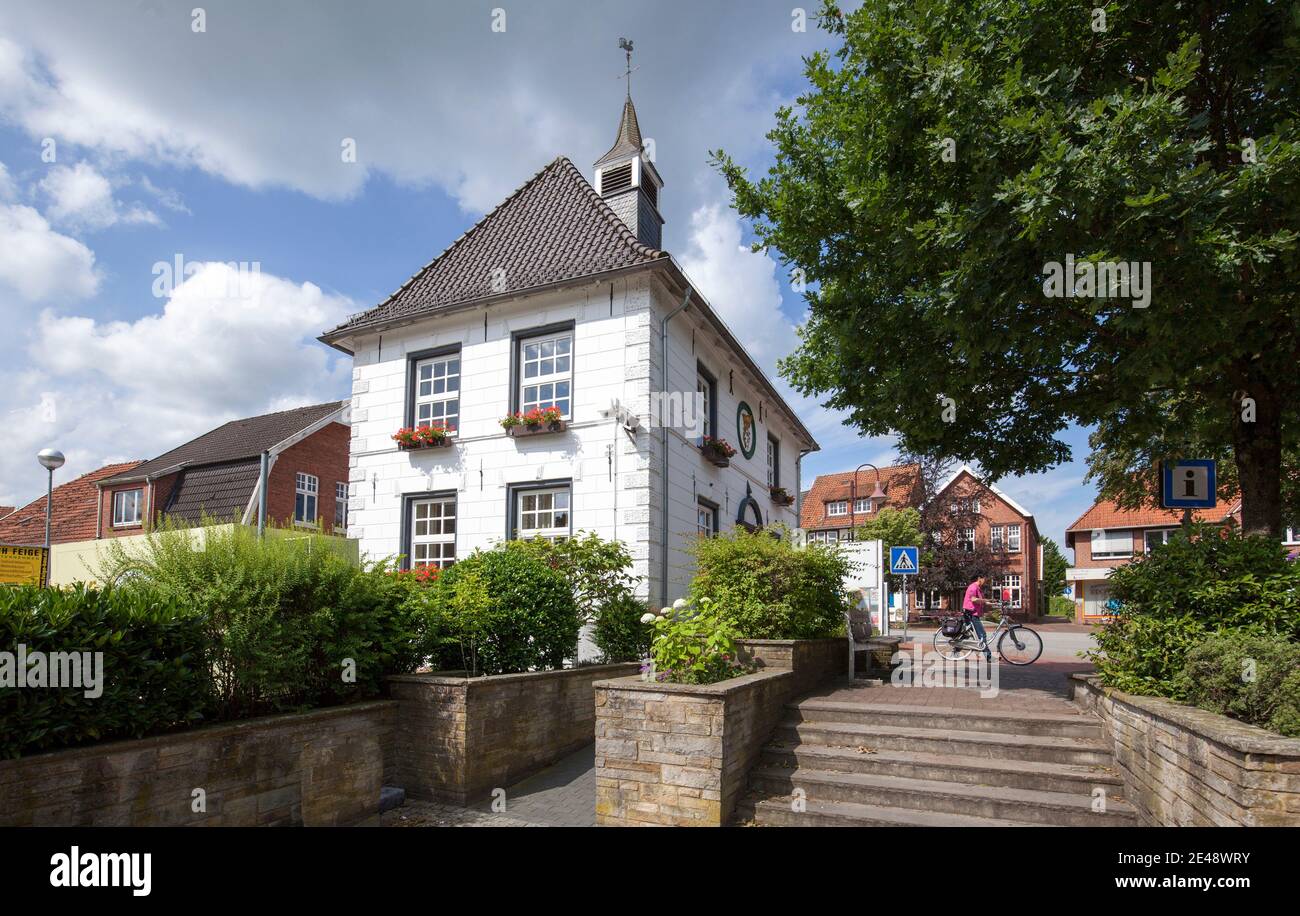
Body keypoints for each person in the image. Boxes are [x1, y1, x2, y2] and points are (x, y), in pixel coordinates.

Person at [962, 574, 993, 661]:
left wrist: (995, 604)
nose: (985, 581)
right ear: (979, 578)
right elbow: (973, 599)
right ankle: (988, 656)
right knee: (982, 634)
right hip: (971, 613)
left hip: (974, 613)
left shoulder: (978, 589)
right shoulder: (973, 587)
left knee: (968, 633)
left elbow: (981, 601)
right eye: (984, 579)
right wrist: (985, 600)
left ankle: (956, 650)